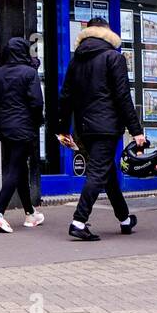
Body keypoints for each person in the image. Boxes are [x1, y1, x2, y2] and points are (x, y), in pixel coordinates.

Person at [56, 17, 146, 241]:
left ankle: (124, 218)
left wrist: (63, 129)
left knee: (107, 172)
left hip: (84, 128)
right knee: (98, 172)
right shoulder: (113, 58)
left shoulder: (77, 60)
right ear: (107, 33)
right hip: (106, 127)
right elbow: (122, 97)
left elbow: (66, 97)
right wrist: (136, 131)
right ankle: (78, 221)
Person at [0, 37, 45, 233]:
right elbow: (37, 102)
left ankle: (30, 213)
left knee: (19, 168)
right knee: (15, 169)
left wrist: (2, 118)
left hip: (5, 128)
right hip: (24, 127)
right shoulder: (29, 73)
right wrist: (36, 121)